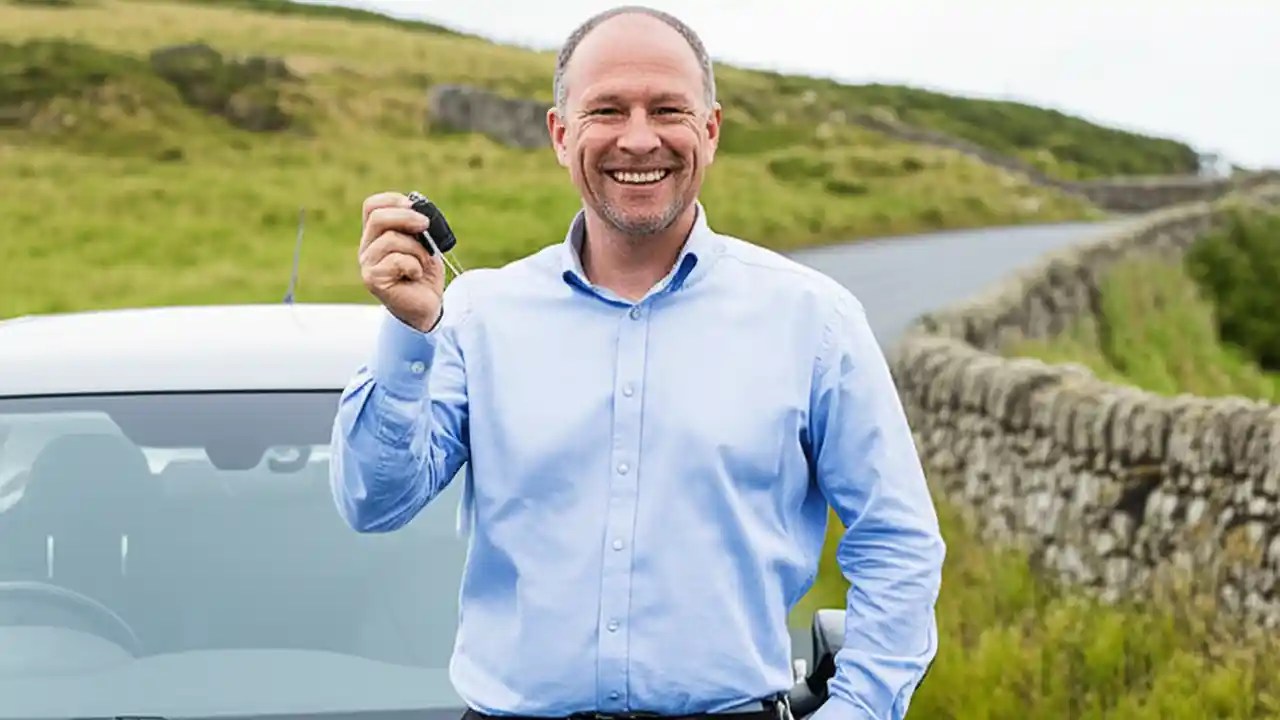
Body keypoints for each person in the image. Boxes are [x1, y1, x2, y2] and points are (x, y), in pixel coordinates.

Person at [331, 5, 946, 720]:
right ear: (561, 135)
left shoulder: (816, 321)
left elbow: (896, 543)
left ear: (710, 130)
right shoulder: (474, 318)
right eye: (607, 110)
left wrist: (860, 710)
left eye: (668, 109)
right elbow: (374, 503)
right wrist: (409, 334)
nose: (639, 138)